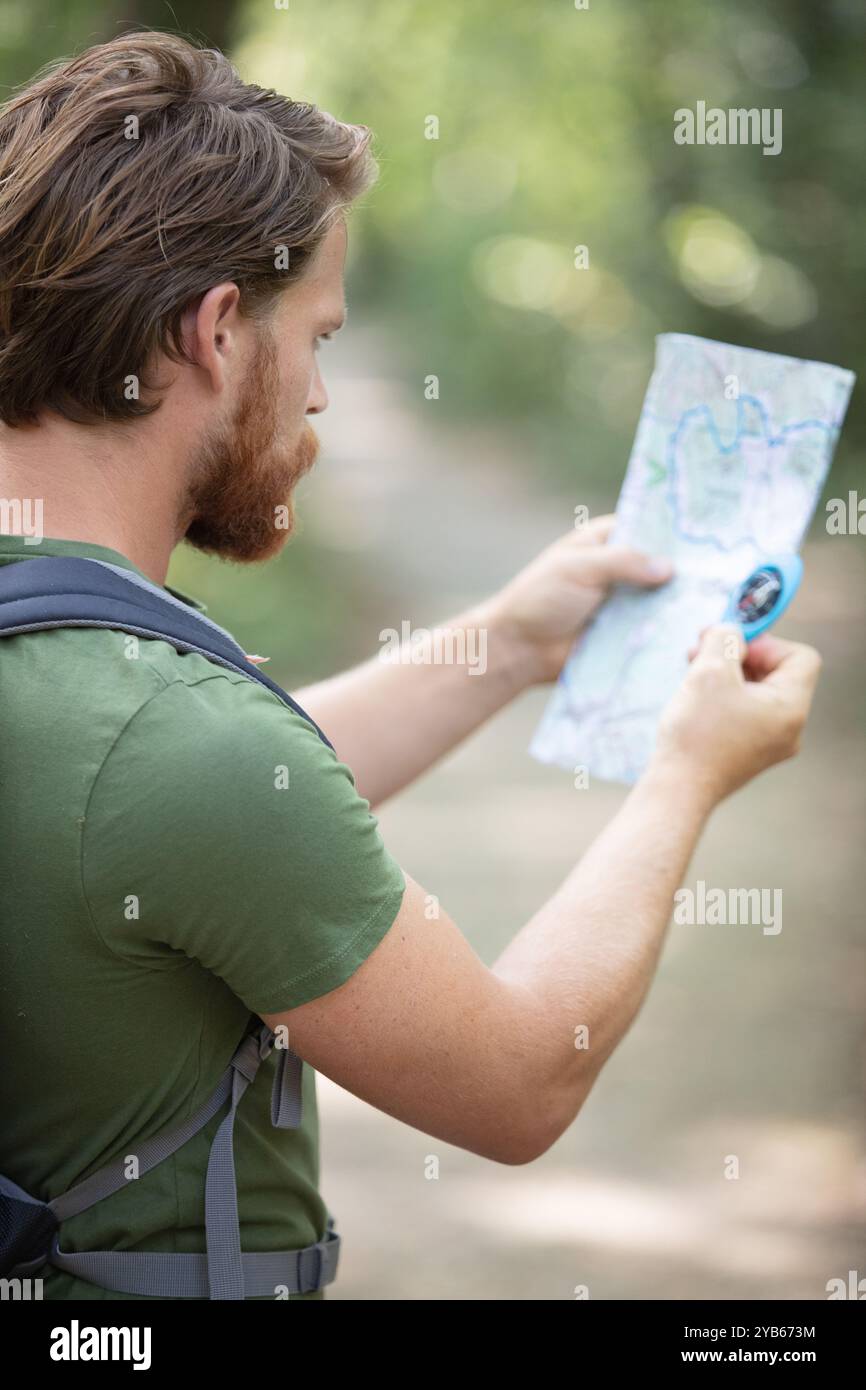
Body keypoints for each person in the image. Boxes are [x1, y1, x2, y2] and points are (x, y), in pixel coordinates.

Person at [0, 32, 821, 1301]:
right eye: (317, 335)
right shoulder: (174, 743)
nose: (321, 396)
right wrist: (687, 770)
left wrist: (504, 643)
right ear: (217, 331)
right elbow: (520, 1079)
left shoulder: (95, 696)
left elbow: (165, 822)